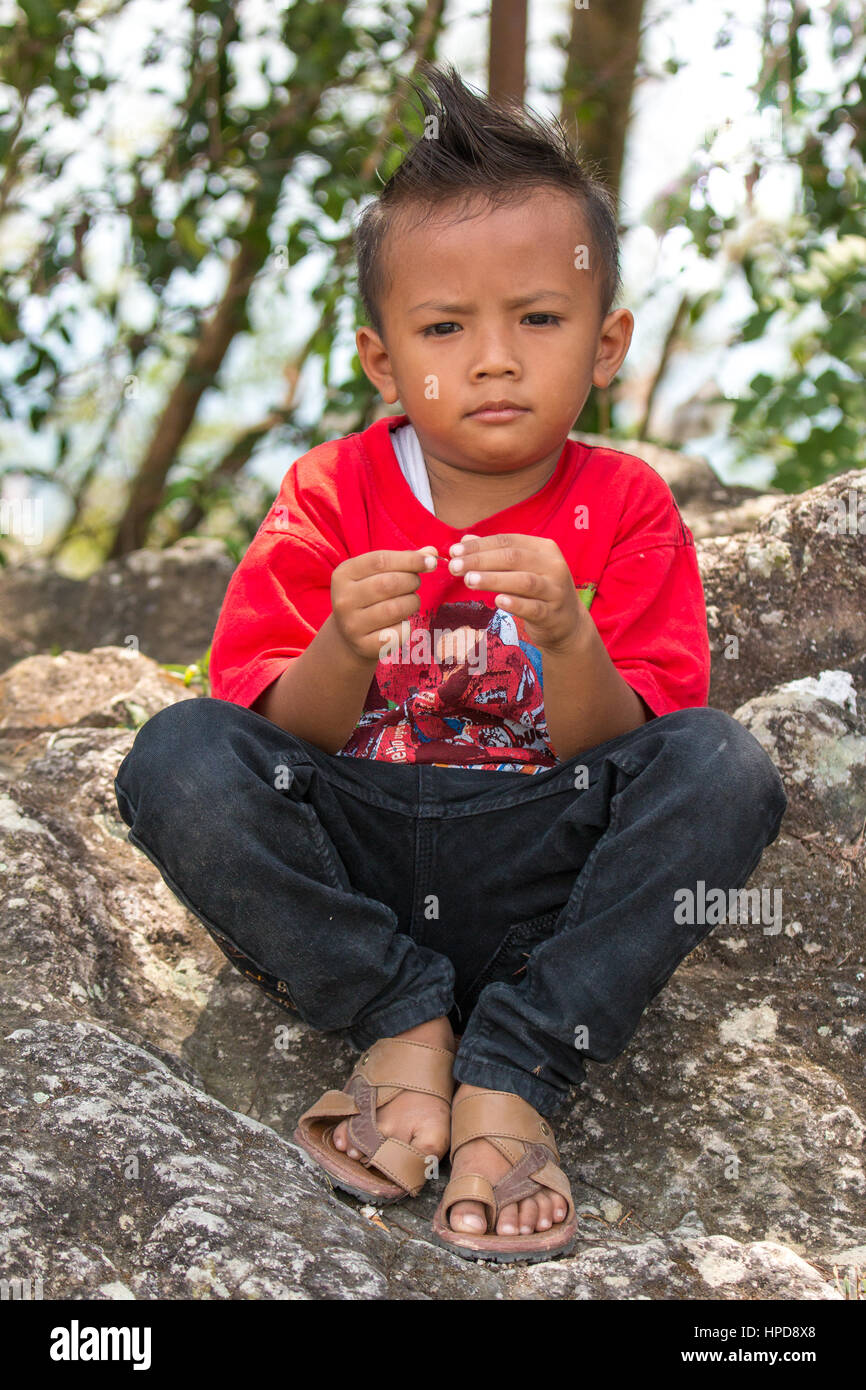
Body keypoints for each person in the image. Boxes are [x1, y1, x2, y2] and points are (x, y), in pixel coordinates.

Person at [114, 63, 787, 1264]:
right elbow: (275, 738)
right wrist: (336, 643)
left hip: (544, 870)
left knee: (724, 767)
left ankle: (515, 1072)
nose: (490, 360)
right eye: (442, 328)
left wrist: (570, 638)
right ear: (381, 361)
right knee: (177, 754)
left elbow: (627, 752)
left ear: (604, 343)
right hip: (357, 863)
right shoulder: (331, 489)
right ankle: (399, 1021)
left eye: (537, 318)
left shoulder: (624, 503)